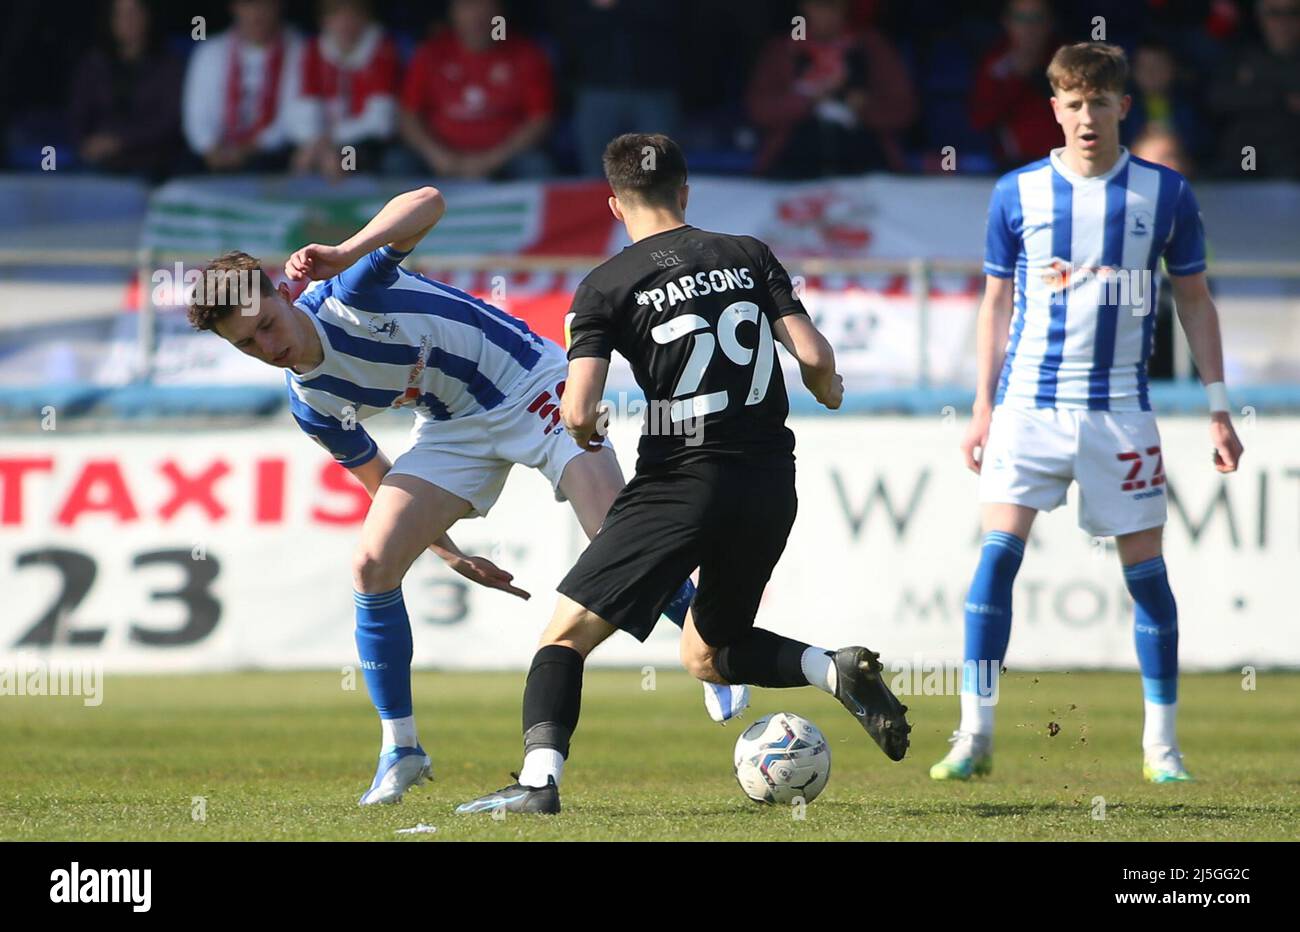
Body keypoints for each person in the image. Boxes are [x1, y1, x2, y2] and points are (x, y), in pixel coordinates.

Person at [185, 187, 748, 806]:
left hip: (527, 380)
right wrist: (451, 553)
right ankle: (401, 748)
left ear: (283, 294)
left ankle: (708, 647)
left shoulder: (350, 293)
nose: (268, 347)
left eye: (265, 324)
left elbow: (428, 202)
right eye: (246, 345)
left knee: (614, 536)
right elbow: (379, 477)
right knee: (371, 564)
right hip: (452, 425)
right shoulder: (310, 402)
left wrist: (346, 250)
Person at [456, 134, 911, 816]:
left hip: (680, 482)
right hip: (768, 483)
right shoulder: (749, 255)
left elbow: (578, 408)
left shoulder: (604, 285)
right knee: (706, 654)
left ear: (614, 204)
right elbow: (814, 354)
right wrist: (829, 388)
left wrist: (586, 431)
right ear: (686, 192)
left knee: (564, 637)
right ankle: (831, 668)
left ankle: (537, 783)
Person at [931, 42, 1244, 786]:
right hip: (1028, 409)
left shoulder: (1164, 195)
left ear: (1122, 108)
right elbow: (996, 302)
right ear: (1055, 110)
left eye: (1100, 102)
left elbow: (1196, 302)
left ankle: (1162, 748)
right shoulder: (1018, 192)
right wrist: (982, 406)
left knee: (1147, 580)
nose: (1086, 117)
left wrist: (1219, 407)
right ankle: (974, 734)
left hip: (1120, 415)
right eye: (1072, 103)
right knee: (993, 565)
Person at [746, 0, 916, 178]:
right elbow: (758, 109)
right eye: (819, 6)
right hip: (793, 166)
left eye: (833, 7)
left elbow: (904, 109)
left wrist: (865, 105)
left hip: (867, 166)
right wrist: (807, 100)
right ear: (804, 7)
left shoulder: (872, 46)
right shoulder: (782, 50)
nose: (827, 15)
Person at [394, 0, 554, 180]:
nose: (477, 15)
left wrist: (491, 160)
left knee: (536, 166)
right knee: (397, 162)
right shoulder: (430, 52)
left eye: (486, 5)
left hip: (504, 157)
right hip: (442, 157)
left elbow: (539, 119)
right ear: (453, 13)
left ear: (500, 13)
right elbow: (408, 115)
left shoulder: (525, 54)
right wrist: (435, 154)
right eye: (468, 6)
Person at [69, 0, 186, 182]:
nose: (128, 20)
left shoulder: (170, 65)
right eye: (120, 14)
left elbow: (170, 121)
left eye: (134, 12)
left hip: (151, 162)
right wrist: (85, 144)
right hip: (100, 161)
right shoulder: (94, 64)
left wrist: (120, 141)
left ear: (147, 16)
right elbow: (77, 114)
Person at [181, 0, 303, 173]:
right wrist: (210, 148)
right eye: (248, 4)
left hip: (273, 156)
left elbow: (293, 116)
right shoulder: (209, 52)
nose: (257, 13)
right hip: (215, 156)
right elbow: (197, 116)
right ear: (234, 7)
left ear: (279, 6)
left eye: (265, 5)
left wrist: (250, 149)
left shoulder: (298, 50)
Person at [289, 0, 399, 179]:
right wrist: (316, 143)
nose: (346, 23)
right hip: (323, 143)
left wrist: (332, 141)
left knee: (346, 161)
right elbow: (305, 106)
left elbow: (380, 123)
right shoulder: (313, 50)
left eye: (353, 15)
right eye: (337, 15)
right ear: (324, 20)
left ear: (366, 18)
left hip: (365, 143)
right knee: (301, 159)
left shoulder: (382, 51)